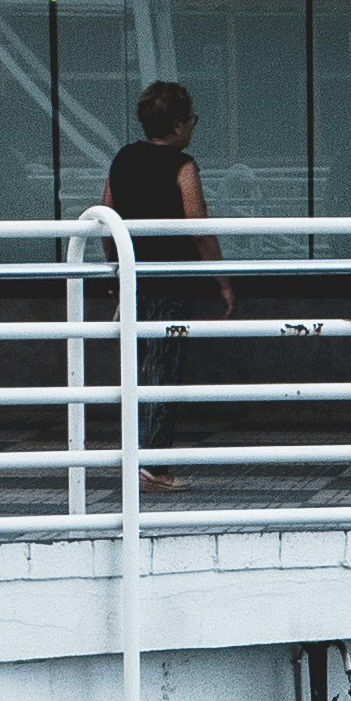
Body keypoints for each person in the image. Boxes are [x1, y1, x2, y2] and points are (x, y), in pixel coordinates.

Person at [99, 77, 228, 494]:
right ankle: (154, 464)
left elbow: (106, 217)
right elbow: (198, 227)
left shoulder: (123, 159)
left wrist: (116, 268)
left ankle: (135, 459)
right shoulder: (182, 166)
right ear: (176, 126)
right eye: (191, 120)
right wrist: (223, 281)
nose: (192, 127)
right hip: (171, 282)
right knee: (164, 371)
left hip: (134, 279)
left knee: (135, 372)